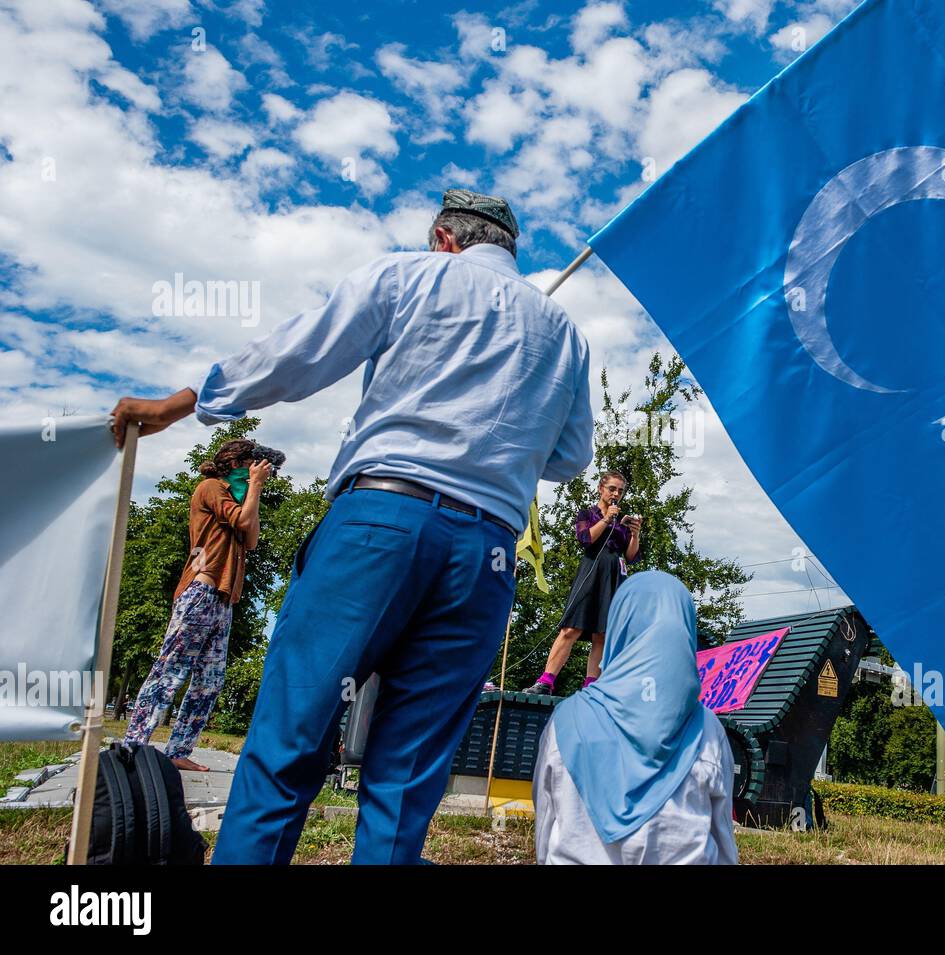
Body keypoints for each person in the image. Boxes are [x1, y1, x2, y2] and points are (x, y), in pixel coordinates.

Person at [110, 189, 594, 864]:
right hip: (484, 554)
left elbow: (298, 354)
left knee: (288, 744)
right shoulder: (564, 333)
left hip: (381, 524)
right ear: (506, 248)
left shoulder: (406, 276)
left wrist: (185, 401)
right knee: (403, 785)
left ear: (444, 238)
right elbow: (571, 457)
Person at [532, 570, 738, 865]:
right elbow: (723, 845)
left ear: (618, 628)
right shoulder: (708, 730)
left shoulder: (566, 720)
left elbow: (545, 832)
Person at [122, 439, 269, 771]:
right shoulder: (211, 487)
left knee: (209, 681)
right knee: (171, 671)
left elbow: (252, 538)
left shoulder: (237, 498)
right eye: (250, 465)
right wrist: (255, 487)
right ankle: (133, 746)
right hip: (200, 591)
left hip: (224, 599)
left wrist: (253, 494)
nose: (253, 473)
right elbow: (243, 523)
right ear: (235, 464)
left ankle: (177, 751)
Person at [523, 470, 642, 695]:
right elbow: (585, 538)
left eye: (620, 490)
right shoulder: (588, 514)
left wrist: (634, 535)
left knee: (602, 634)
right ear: (600, 488)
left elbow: (631, 557)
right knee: (571, 628)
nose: (616, 493)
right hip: (591, 571)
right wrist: (607, 518)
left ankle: (591, 687)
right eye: (612, 489)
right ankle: (546, 681)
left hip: (614, 575)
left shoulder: (622, 523)